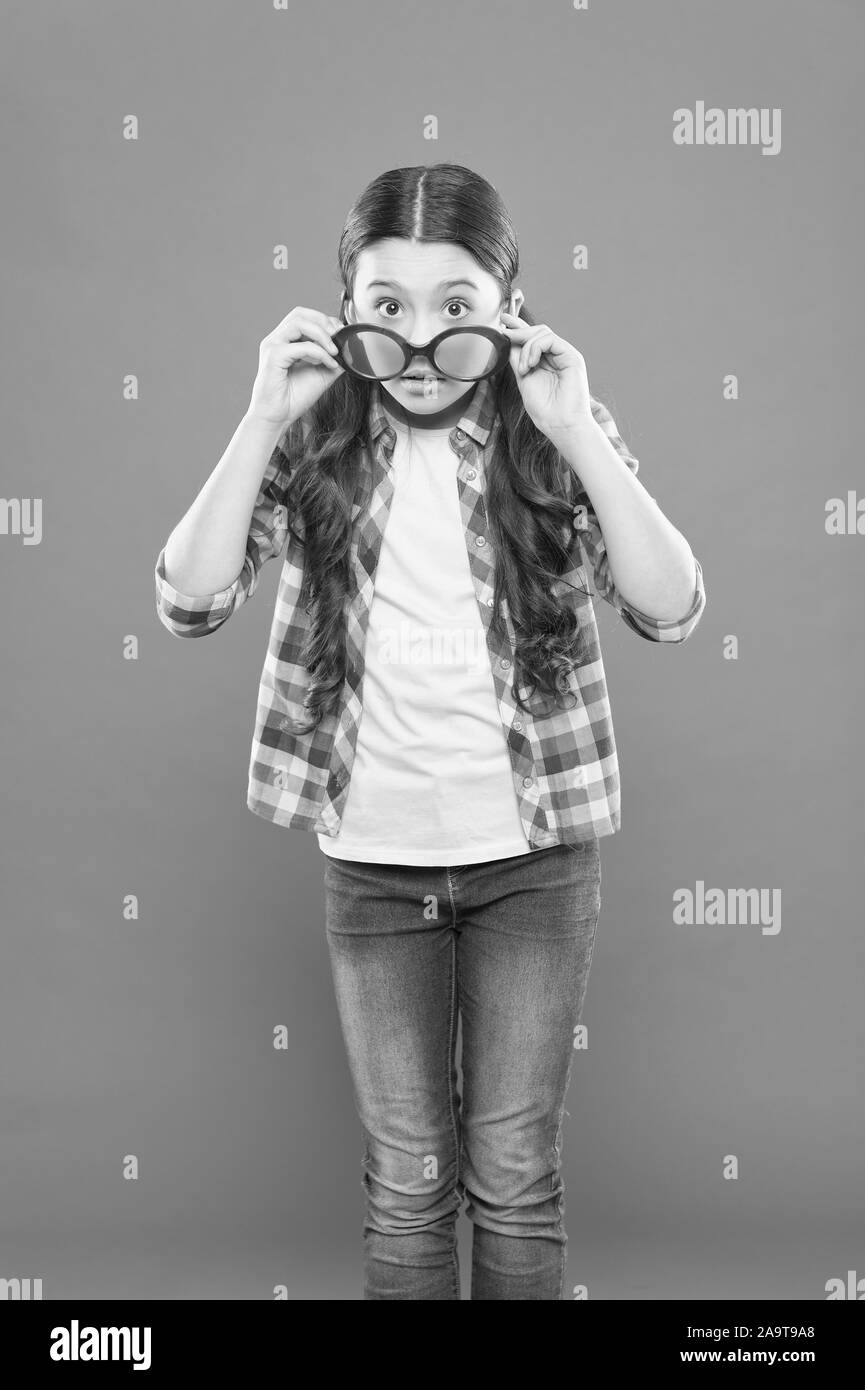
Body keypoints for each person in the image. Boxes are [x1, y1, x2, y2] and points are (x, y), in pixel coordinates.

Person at [154, 162, 706, 1300]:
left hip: (535, 868)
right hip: (373, 868)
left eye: (456, 306)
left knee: (513, 1174)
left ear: (506, 306)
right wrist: (262, 413)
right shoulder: (312, 434)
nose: (419, 341)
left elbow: (671, 607)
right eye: (387, 306)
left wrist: (580, 431)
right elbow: (189, 600)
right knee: (406, 1184)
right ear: (346, 308)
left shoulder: (546, 426)